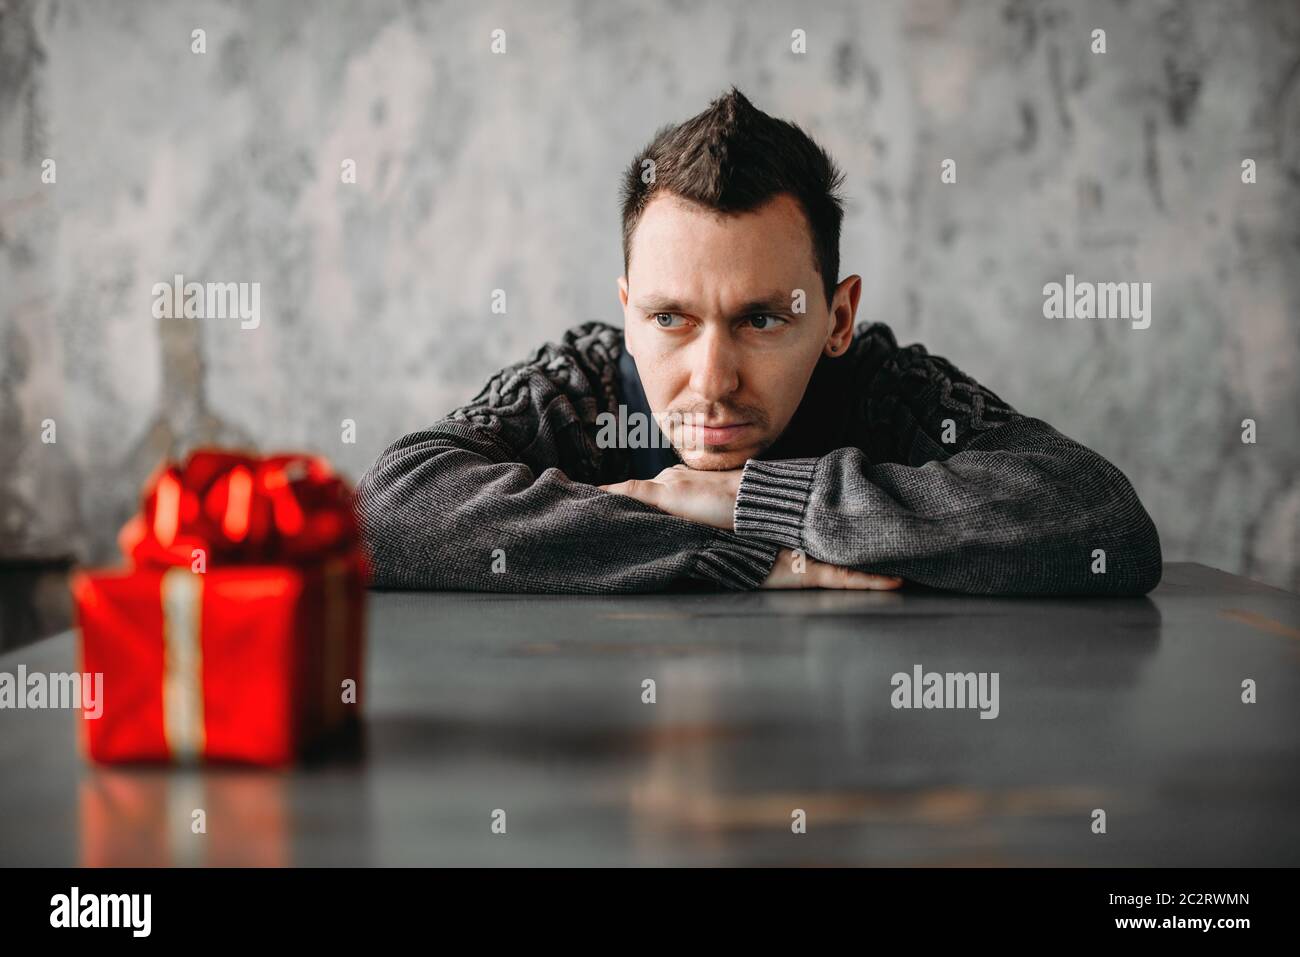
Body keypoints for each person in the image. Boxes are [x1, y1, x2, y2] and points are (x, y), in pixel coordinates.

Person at [354, 88, 1161, 595]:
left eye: (762, 319)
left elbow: (1101, 521)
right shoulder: (584, 385)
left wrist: (744, 499)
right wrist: (745, 558)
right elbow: (386, 515)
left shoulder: (882, 385)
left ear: (837, 319)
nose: (712, 379)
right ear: (629, 313)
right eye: (670, 319)